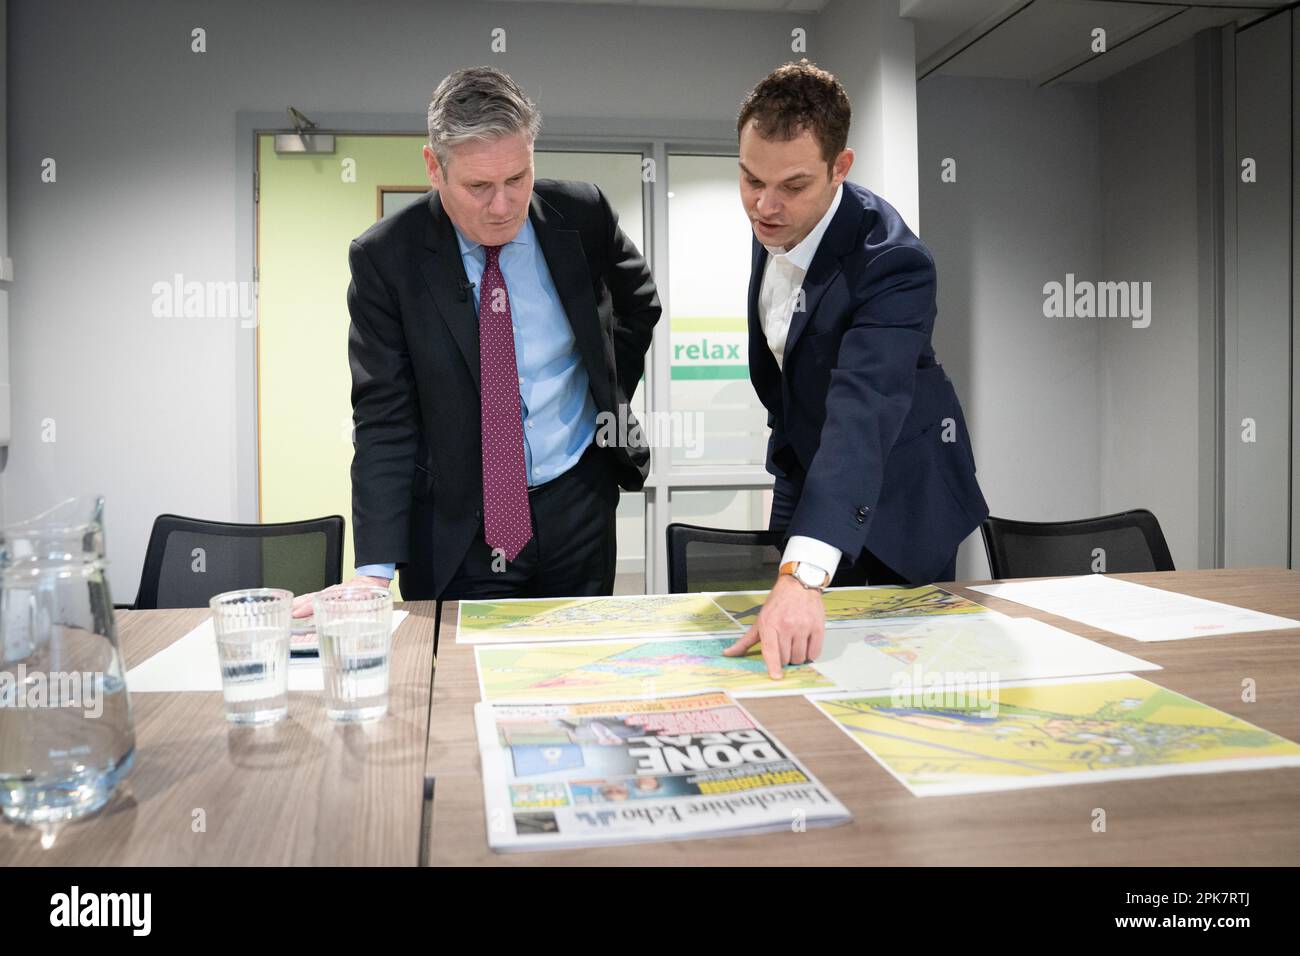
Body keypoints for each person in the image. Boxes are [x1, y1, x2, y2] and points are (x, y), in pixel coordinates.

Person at [294, 66, 659, 614]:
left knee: (576, 671)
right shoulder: (387, 258)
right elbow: (384, 416)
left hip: (577, 502)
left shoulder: (581, 215)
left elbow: (639, 304)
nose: (502, 206)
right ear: (433, 168)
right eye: (479, 186)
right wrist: (372, 574)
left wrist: (601, 396)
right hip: (458, 525)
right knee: (462, 684)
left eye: (517, 179)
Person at [722, 60, 988, 678]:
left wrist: (804, 572)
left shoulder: (895, 264)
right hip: (810, 469)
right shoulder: (776, 221)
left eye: (792, 185)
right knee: (792, 648)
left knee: (892, 676)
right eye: (750, 179)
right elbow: (792, 381)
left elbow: (862, 412)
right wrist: (795, 564)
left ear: (840, 168)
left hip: (902, 494)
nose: (764, 206)